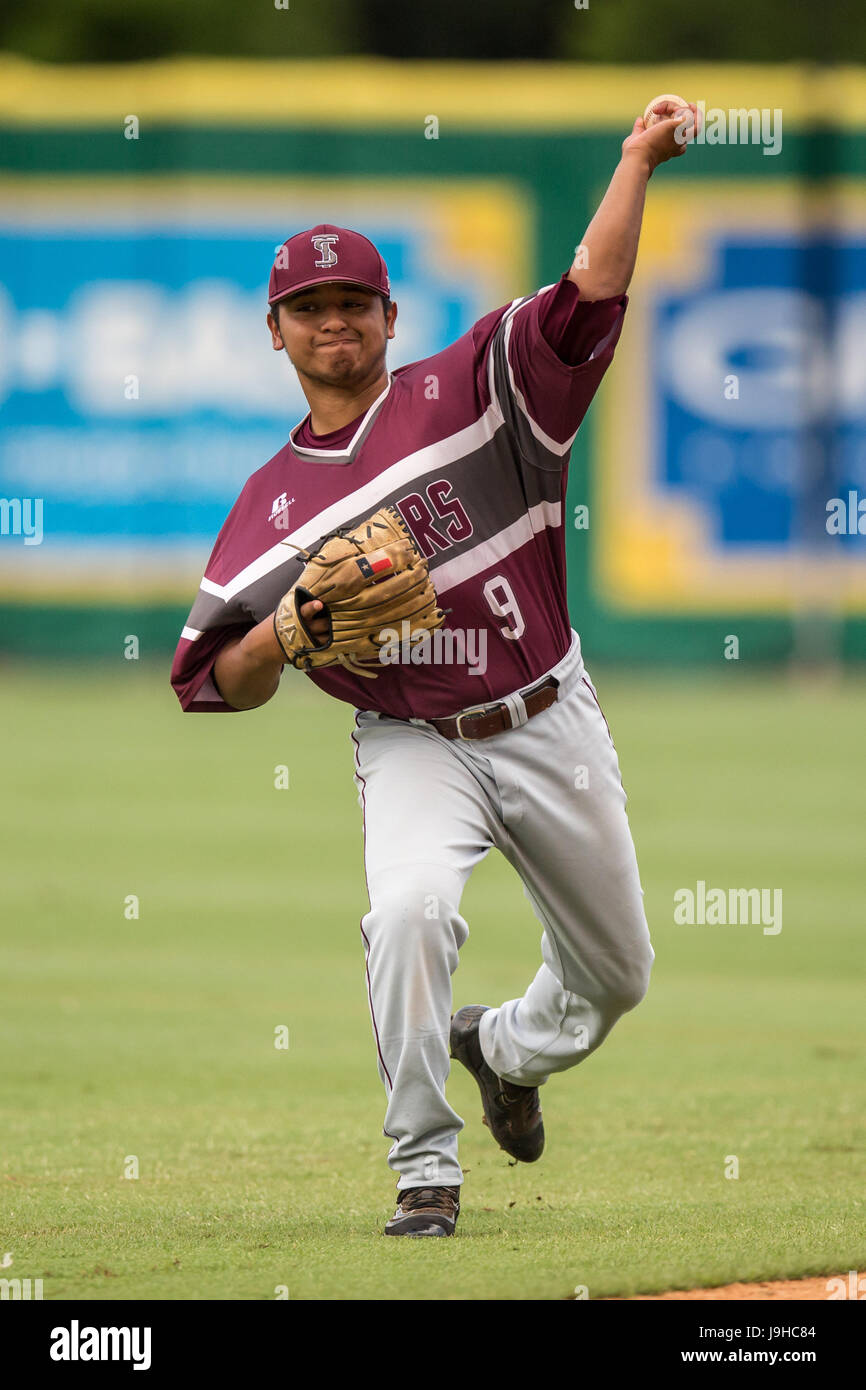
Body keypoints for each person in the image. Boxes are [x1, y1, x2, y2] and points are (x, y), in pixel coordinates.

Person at [171, 102, 698, 1237]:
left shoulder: (474, 384)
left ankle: (498, 1048)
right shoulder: (267, 508)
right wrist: (288, 630)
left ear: (387, 315)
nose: (332, 324)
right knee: (407, 910)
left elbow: (588, 291)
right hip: (413, 740)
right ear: (275, 331)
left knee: (615, 978)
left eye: (350, 304)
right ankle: (423, 1167)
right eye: (307, 309)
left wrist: (632, 160)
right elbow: (214, 679)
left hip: (548, 707)